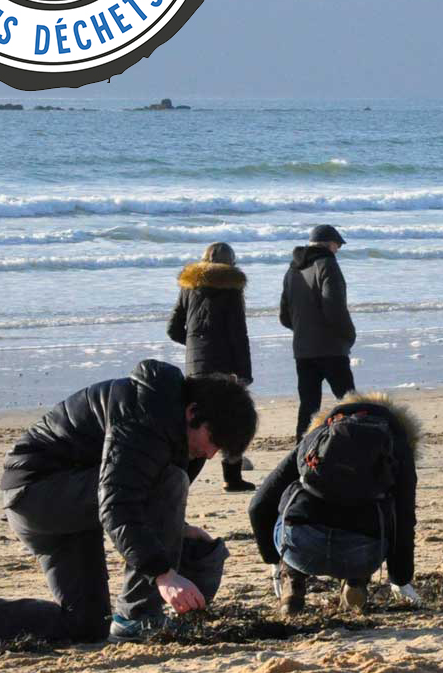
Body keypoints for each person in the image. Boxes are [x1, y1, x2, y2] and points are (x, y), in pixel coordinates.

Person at [0, 361, 257, 649]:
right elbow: (119, 502)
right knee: (170, 482)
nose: (211, 454)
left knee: (85, 625)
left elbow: (135, 503)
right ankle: (139, 617)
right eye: (213, 441)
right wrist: (162, 574)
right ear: (193, 412)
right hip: (37, 493)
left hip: (72, 511)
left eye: (219, 451)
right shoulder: (147, 411)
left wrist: (181, 533)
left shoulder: (182, 438)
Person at [250, 393, 422, 614]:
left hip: (300, 545)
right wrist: (400, 578)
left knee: (292, 493)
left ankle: (291, 580)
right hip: (362, 551)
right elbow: (404, 518)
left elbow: (259, 504)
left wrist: (275, 560)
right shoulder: (397, 446)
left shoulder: (317, 437)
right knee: (383, 509)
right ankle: (356, 581)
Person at [167, 242, 256, 493]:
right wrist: (244, 372)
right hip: (225, 366)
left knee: (197, 422)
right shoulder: (232, 288)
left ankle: (181, 480)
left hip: (196, 366)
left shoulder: (189, 286)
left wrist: (196, 346)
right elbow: (239, 334)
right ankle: (232, 478)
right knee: (231, 419)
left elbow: (173, 329)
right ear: (232, 263)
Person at [281, 224, 357, 438]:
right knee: (350, 401)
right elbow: (335, 307)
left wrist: (304, 331)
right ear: (329, 244)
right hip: (331, 348)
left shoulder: (292, 269)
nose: (338, 249)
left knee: (308, 406)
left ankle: (300, 452)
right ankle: (359, 444)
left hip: (303, 349)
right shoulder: (328, 264)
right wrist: (348, 335)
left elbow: (284, 315)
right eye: (337, 245)